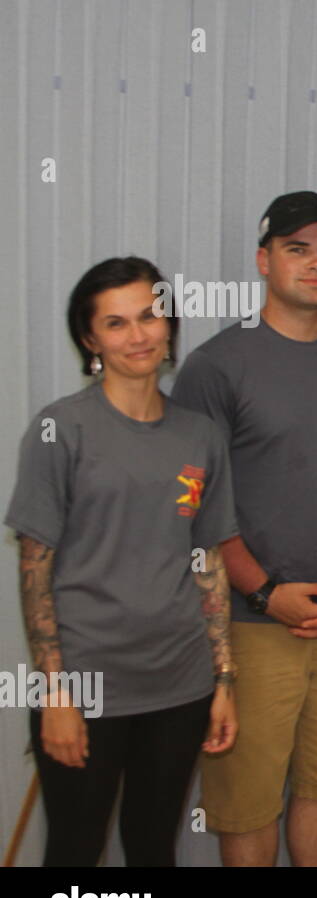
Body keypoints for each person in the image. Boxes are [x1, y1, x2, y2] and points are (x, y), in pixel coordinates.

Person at [170, 192, 317, 867]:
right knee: (247, 802)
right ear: (263, 260)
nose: (316, 263)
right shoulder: (217, 366)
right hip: (249, 629)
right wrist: (265, 592)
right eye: (297, 248)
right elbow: (196, 506)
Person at [6, 256, 238, 866]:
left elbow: (207, 561)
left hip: (180, 685)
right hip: (85, 687)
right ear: (90, 339)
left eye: (149, 315)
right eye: (116, 323)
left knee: (153, 848)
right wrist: (56, 693)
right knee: (76, 854)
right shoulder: (61, 429)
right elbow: (36, 570)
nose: (138, 335)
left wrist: (222, 681)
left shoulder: (200, 435)